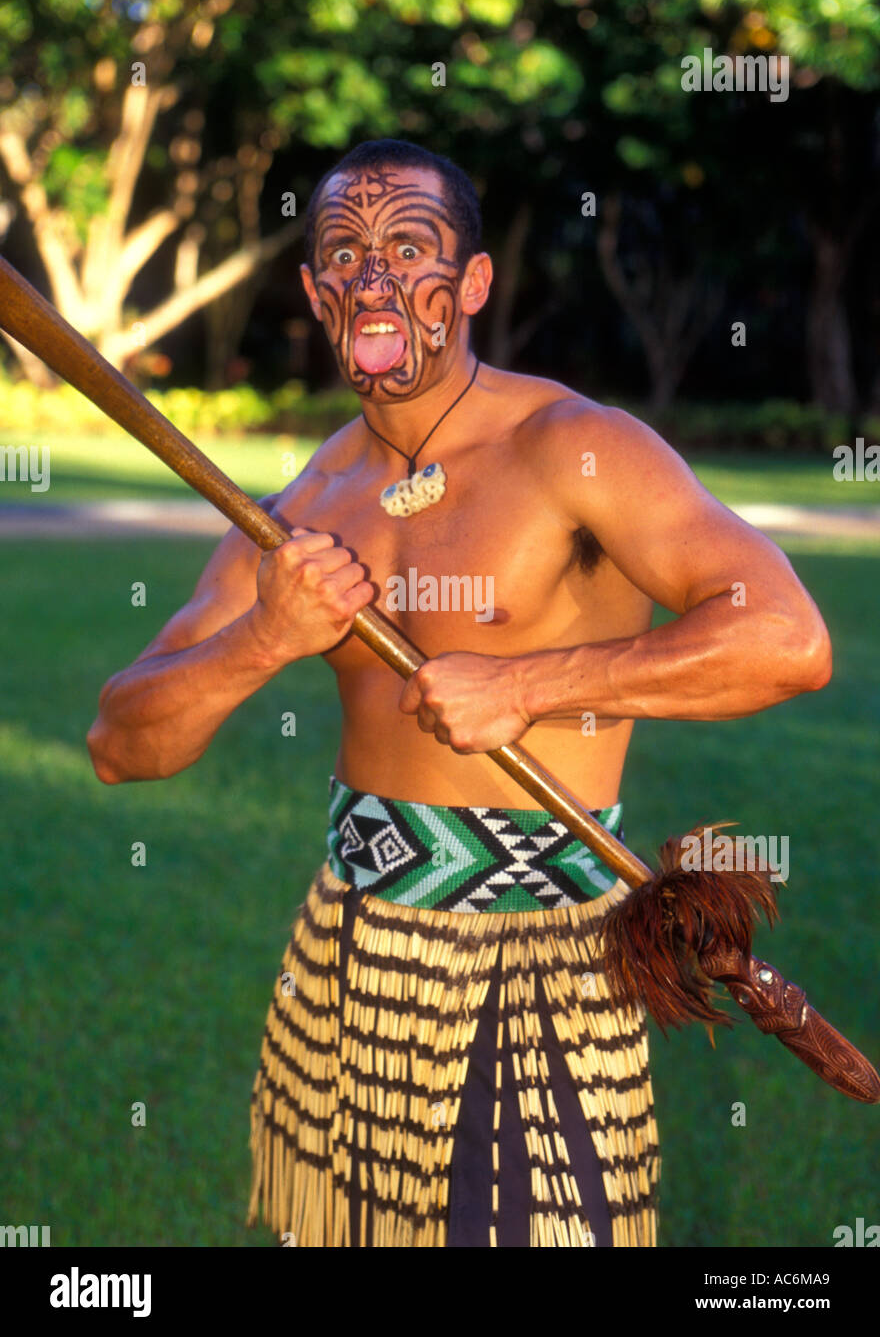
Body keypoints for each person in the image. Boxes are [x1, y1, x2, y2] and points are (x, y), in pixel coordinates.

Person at [86, 138, 832, 1248]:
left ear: (473, 284)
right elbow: (119, 742)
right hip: (348, 957)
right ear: (313, 293)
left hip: (536, 974)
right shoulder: (310, 498)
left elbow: (786, 638)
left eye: (407, 248)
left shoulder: (574, 448)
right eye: (343, 251)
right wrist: (262, 638)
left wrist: (532, 684)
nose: (373, 277)